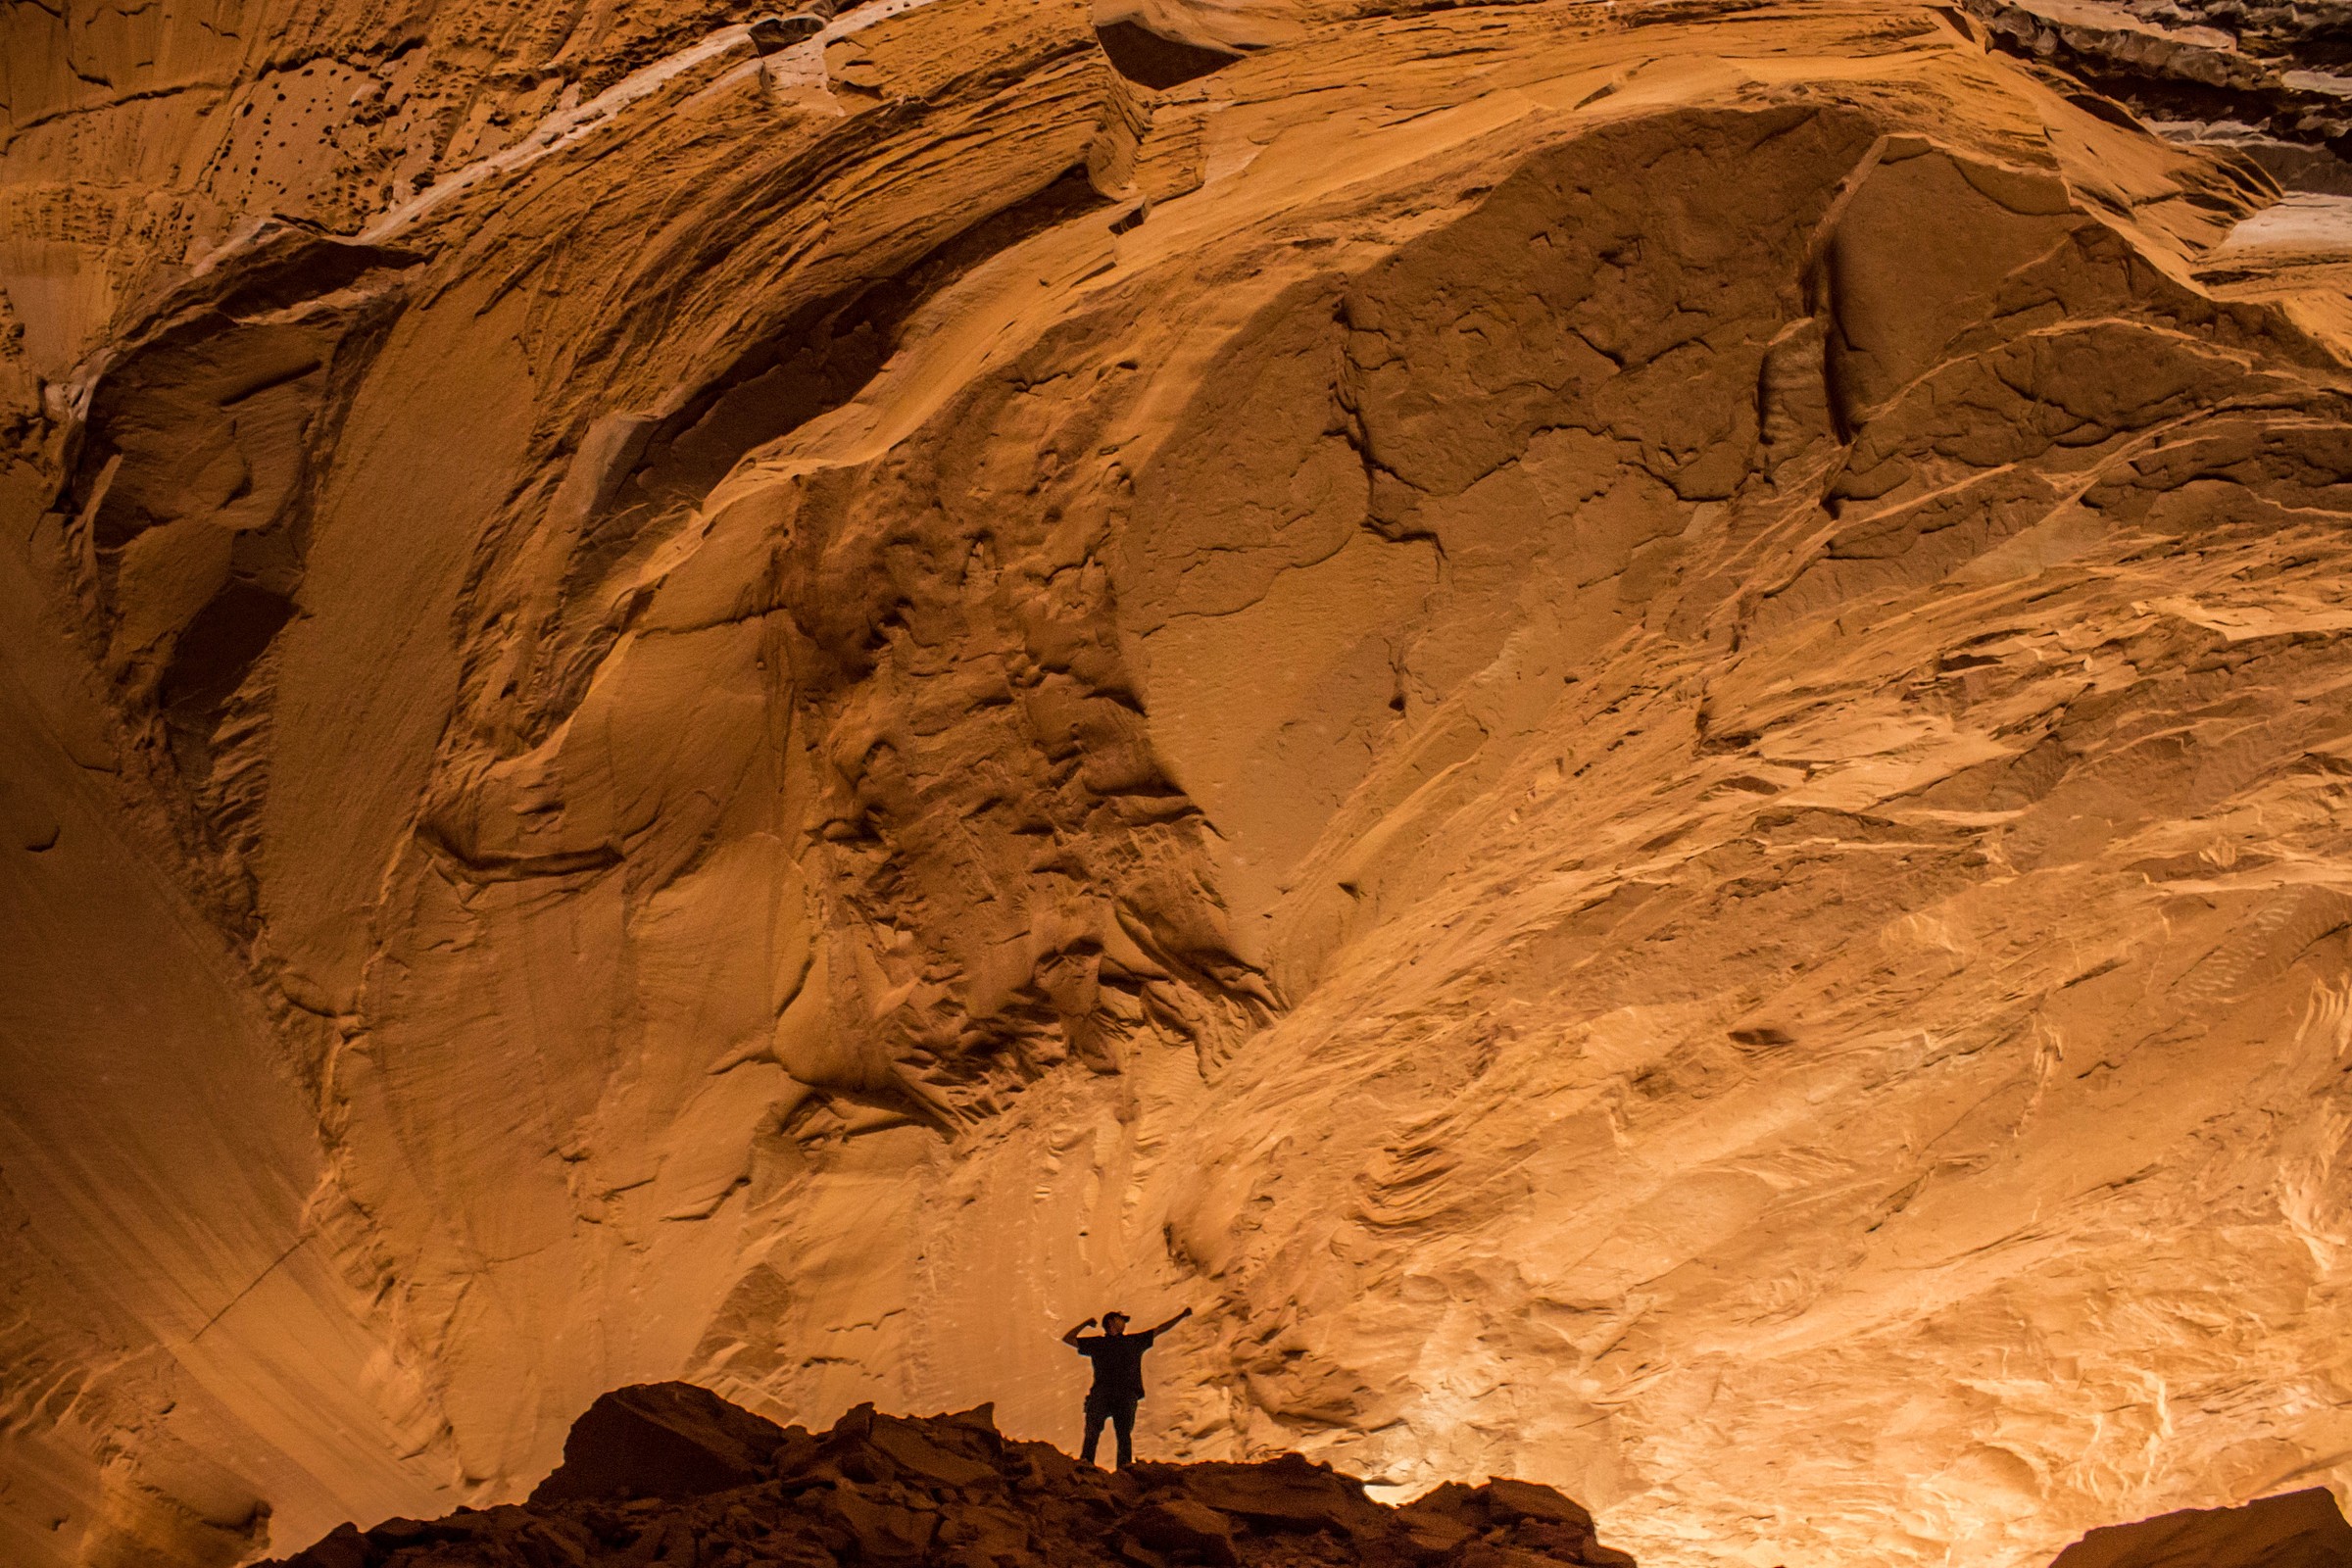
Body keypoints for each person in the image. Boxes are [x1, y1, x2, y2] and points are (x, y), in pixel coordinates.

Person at [1060, 1305, 1190, 1467]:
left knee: (1110, 1433)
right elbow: (1068, 1339)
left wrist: (1181, 1316)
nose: (1125, 1323)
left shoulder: (1113, 1342)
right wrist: (1085, 1323)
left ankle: (1097, 1464)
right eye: (1122, 1320)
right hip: (1116, 1394)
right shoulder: (1130, 1342)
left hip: (1111, 1394)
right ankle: (1105, 1465)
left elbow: (1160, 1329)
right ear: (1112, 1322)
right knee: (1108, 1433)